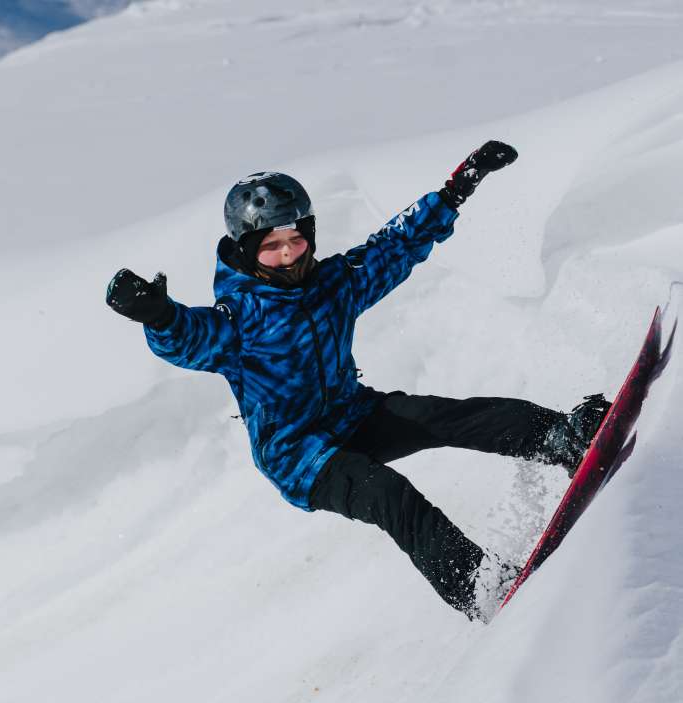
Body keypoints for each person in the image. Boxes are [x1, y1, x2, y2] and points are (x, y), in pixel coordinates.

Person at [105, 142, 609, 621]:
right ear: (245, 252)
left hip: (354, 414)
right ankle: (479, 584)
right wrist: (157, 316)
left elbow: (396, 247)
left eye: (295, 240)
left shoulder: (335, 284)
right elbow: (189, 338)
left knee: (443, 417)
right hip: (301, 457)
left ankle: (562, 438)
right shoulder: (237, 320)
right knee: (389, 495)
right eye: (270, 247)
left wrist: (457, 190)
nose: (287, 255)